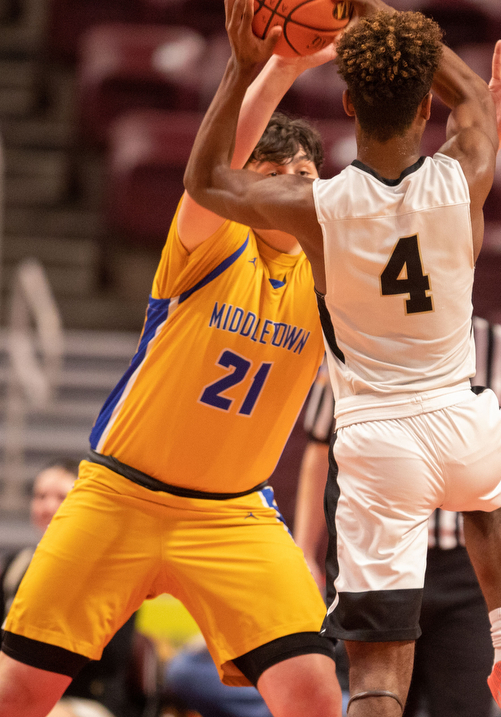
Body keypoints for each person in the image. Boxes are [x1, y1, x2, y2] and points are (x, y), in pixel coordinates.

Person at [183, 0, 501, 716]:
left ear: (348, 103)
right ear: (427, 105)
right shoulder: (466, 175)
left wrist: (242, 64)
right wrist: (392, 20)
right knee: (493, 490)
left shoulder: (314, 206)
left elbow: (203, 181)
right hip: (460, 417)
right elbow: (473, 106)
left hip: (376, 444)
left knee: (378, 680)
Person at [0, 47, 346, 715]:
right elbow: (208, 175)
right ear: (242, 189)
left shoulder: (330, 276)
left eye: (305, 172)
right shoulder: (213, 244)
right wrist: (269, 72)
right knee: (19, 694)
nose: (293, 182)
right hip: (120, 497)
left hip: (232, 513)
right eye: (271, 172)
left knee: (315, 693)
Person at [296, 316, 501, 717]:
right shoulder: (354, 334)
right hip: (386, 547)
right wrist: (304, 548)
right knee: (375, 693)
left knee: (406, 698)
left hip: (465, 567)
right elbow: (321, 449)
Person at [1, 462, 137, 717]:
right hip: (19, 693)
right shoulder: (14, 566)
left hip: (85, 700)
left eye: (62, 497)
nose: (48, 506)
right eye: (40, 496)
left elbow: (110, 658)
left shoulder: (115, 572)